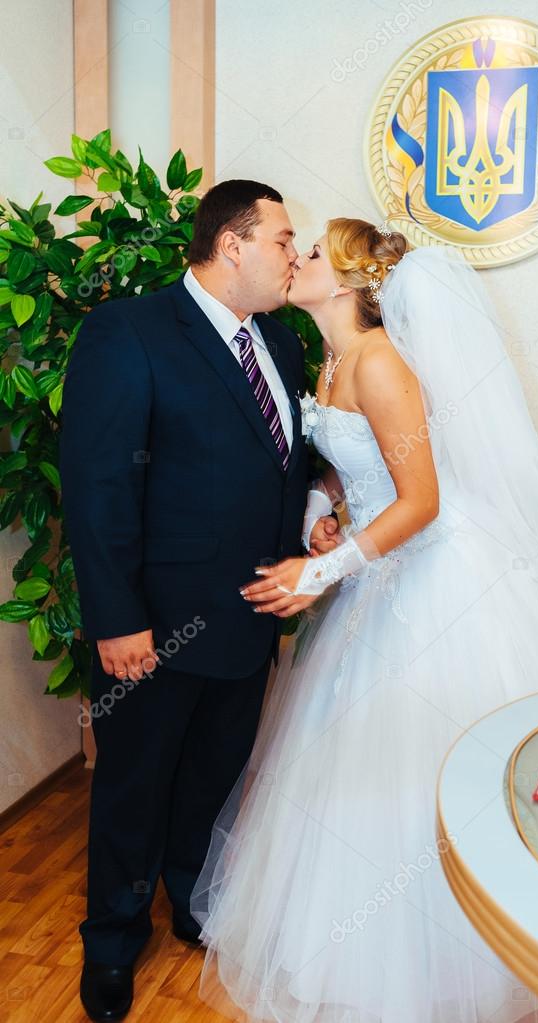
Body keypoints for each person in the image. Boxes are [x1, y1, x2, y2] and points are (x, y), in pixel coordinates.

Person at [189, 218, 538, 1023]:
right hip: (375, 570)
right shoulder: (328, 356)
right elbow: (353, 468)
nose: (297, 260)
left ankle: (446, 965)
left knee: (412, 763)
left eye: (311, 252)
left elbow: (421, 500)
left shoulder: (381, 362)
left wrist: (321, 569)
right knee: (354, 766)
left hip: (434, 581)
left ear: (349, 282)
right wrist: (324, 508)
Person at [59, 179, 337, 1022]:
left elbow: (282, 465)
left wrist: (311, 535)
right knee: (133, 787)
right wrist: (117, 620)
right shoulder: (129, 332)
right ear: (232, 246)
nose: (294, 255)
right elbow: (97, 485)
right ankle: (110, 938)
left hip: (251, 618)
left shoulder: (283, 345)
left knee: (213, 775)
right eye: (284, 239)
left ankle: (190, 896)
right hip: (152, 627)